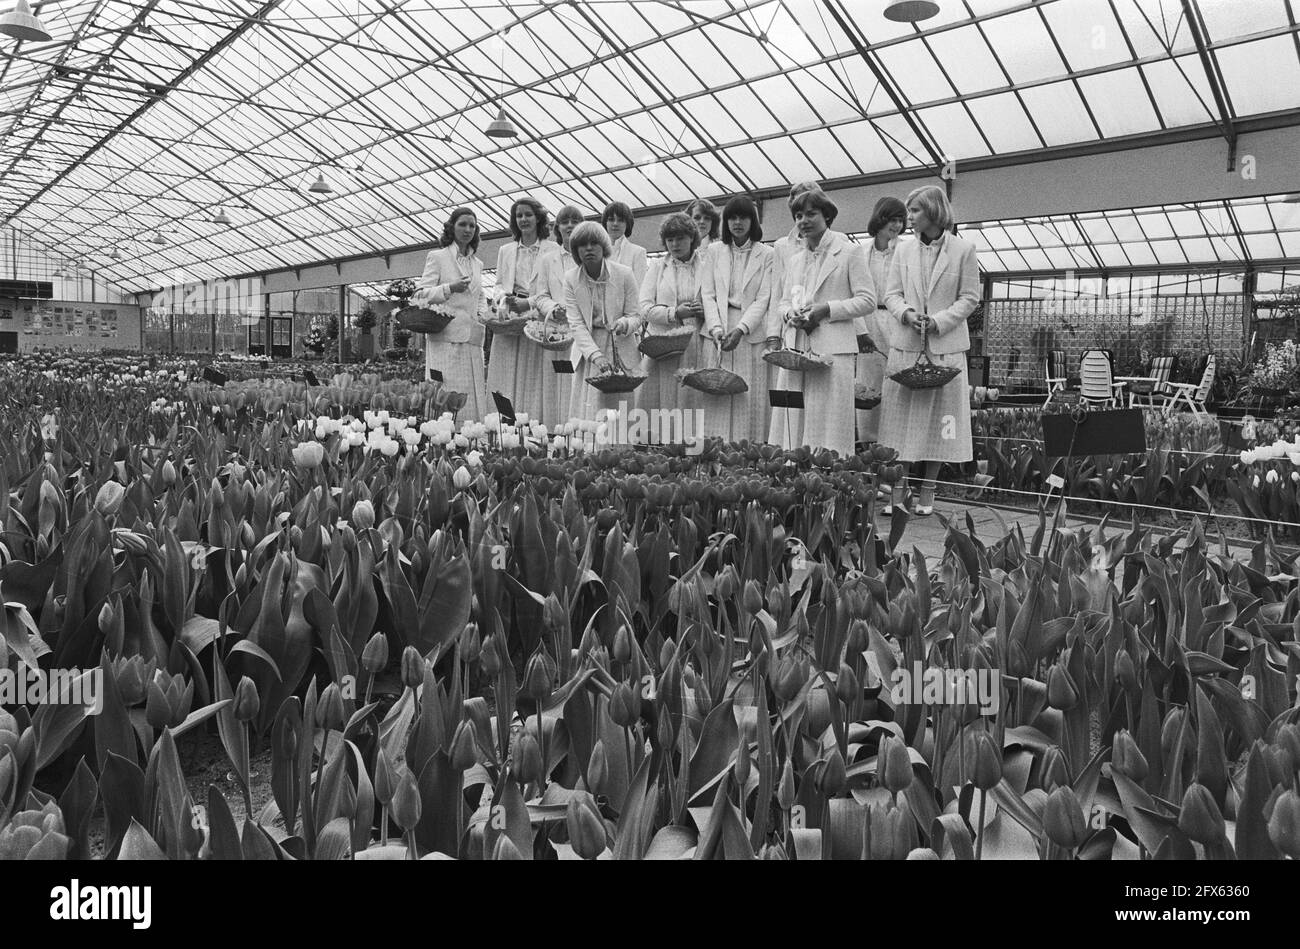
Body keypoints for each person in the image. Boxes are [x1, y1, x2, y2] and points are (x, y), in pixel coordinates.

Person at [879, 185, 979, 516]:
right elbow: (891, 294)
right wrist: (907, 315)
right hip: (906, 346)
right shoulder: (902, 250)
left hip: (946, 348)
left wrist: (938, 322)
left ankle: (929, 489)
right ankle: (899, 489)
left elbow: (970, 297)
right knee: (899, 422)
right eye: (909, 211)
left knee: (942, 422)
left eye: (915, 211)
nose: (909, 217)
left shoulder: (964, 249)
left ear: (934, 212)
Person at [774, 190, 874, 457]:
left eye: (810, 214)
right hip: (796, 350)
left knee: (829, 423)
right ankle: (791, 476)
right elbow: (783, 301)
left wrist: (826, 309)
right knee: (793, 419)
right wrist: (789, 315)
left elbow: (867, 300)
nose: (803, 220)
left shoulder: (850, 252)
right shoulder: (795, 260)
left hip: (833, 350)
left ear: (827, 215)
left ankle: (827, 483)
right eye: (798, 216)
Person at [700, 196, 775, 443]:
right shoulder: (713, 251)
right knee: (717, 394)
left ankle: (747, 453)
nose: (737, 222)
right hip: (717, 330)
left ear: (753, 221)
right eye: (732, 217)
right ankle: (714, 452)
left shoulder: (767, 254)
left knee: (747, 396)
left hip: (750, 332)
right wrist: (716, 328)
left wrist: (741, 329)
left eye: (743, 217)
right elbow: (707, 294)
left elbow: (763, 299)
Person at [413, 206, 489, 419]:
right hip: (445, 340)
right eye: (462, 224)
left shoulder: (477, 263)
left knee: (470, 398)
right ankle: (441, 437)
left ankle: (470, 439)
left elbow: (480, 294)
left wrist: (483, 313)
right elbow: (419, 295)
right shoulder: (438, 257)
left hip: (472, 341)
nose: (467, 229)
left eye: (472, 226)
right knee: (445, 393)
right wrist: (448, 289)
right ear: (452, 228)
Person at [564, 221, 640, 428]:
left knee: (620, 407)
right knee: (591, 407)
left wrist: (624, 324)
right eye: (582, 245)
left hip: (621, 345)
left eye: (594, 243)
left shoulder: (624, 273)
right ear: (576, 250)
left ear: (604, 246)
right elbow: (577, 324)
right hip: (590, 350)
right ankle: (589, 452)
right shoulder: (570, 278)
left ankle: (622, 454)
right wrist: (596, 356)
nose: (588, 249)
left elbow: (636, 315)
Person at [639, 212, 707, 431]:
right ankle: (657, 450)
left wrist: (704, 311)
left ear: (692, 238)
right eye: (670, 239)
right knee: (662, 399)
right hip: (663, 345)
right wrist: (674, 313)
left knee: (689, 396)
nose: (675, 244)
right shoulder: (657, 267)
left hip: (694, 344)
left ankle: (687, 449)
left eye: (680, 238)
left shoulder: (706, 266)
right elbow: (644, 308)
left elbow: (715, 301)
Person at [767, 181, 823, 449]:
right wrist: (774, 333)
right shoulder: (781, 246)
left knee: (815, 397)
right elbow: (778, 290)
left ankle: (809, 452)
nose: (803, 211)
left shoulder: (832, 240)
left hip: (818, 328)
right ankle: (786, 452)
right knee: (788, 396)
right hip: (790, 328)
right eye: (797, 202)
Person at [491, 196, 555, 421]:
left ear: (538, 218)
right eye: (519, 215)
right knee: (507, 370)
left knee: (532, 371)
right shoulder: (506, 250)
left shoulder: (552, 249)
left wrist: (529, 303)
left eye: (528, 214)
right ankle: (504, 420)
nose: (524, 219)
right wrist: (503, 299)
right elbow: (498, 284)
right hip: (511, 316)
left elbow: (553, 288)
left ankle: (532, 421)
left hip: (536, 314)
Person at [859, 197, 907, 446]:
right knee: (868, 384)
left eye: (900, 220)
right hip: (867, 320)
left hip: (896, 320)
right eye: (892, 219)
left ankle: (893, 445)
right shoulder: (861, 251)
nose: (897, 225)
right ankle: (868, 444)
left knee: (896, 381)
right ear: (880, 219)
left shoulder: (906, 250)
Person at [602, 201, 649, 288]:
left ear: (627, 224)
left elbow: (639, 288)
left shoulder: (638, 252)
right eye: (611, 219)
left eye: (620, 220)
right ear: (605, 223)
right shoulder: (597, 252)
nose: (615, 224)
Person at [684, 198, 721, 263]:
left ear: (713, 223)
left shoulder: (720, 250)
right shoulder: (679, 249)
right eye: (697, 218)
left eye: (707, 218)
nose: (702, 222)